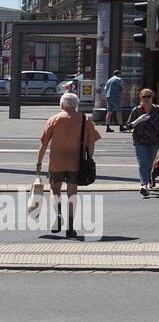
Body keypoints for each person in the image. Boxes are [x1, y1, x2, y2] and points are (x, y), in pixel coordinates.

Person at [36, 92, 100, 238]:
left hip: (56, 161)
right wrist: (89, 159)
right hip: (76, 162)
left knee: (55, 190)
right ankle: (70, 228)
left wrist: (39, 163)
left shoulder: (54, 119)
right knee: (72, 194)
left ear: (62, 104)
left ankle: (58, 216)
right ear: (76, 104)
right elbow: (91, 143)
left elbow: (44, 144)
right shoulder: (85, 119)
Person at [125, 88, 159, 198]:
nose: (147, 99)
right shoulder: (136, 110)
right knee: (143, 163)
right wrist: (139, 120)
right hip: (140, 141)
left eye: (149, 96)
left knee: (149, 164)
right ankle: (144, 185)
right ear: (141, 98)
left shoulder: (158, 110)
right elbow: (128, 126)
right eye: (145, 97)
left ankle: (147, 181)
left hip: (154, 141)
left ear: (152, 97)